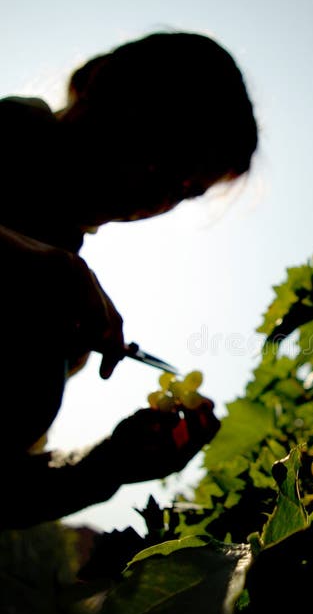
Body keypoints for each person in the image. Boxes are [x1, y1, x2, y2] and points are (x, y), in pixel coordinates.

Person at [0, 31, 258, 529]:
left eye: (187, 188)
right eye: (165, 145)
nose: (160, 189)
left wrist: (108, 464)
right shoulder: (9, 133)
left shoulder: (63, 306)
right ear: (106, 85)